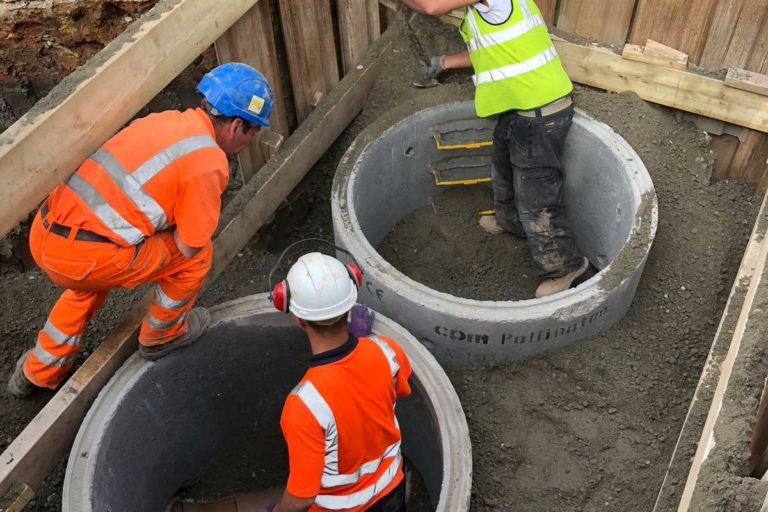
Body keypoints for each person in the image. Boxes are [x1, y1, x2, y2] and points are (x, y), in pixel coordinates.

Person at [7, 62, 274, 398]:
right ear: (237, 126)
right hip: (85, 258)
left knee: (86, 287)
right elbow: (190, 244)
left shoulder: (164, 121)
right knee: (197, 257)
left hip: (47, 234)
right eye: (254, 131)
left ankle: (37, 372)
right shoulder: (208, 161)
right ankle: (163, 335)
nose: (251, 140)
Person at [400, 0, 589, 298]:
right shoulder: (491, 10)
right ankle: (511, 222)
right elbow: (489, 50)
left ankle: (564, 267)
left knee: (536, 196)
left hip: (541, 112)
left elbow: (431, 6)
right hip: (519, 108)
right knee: (502, 169)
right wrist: (444, 62)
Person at [271, 253, 411, 512]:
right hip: (392, 490)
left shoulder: (303, 406)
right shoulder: (387, 351)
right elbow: (397, 390)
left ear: (299, 319)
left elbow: (301, 497)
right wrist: (361, 349)